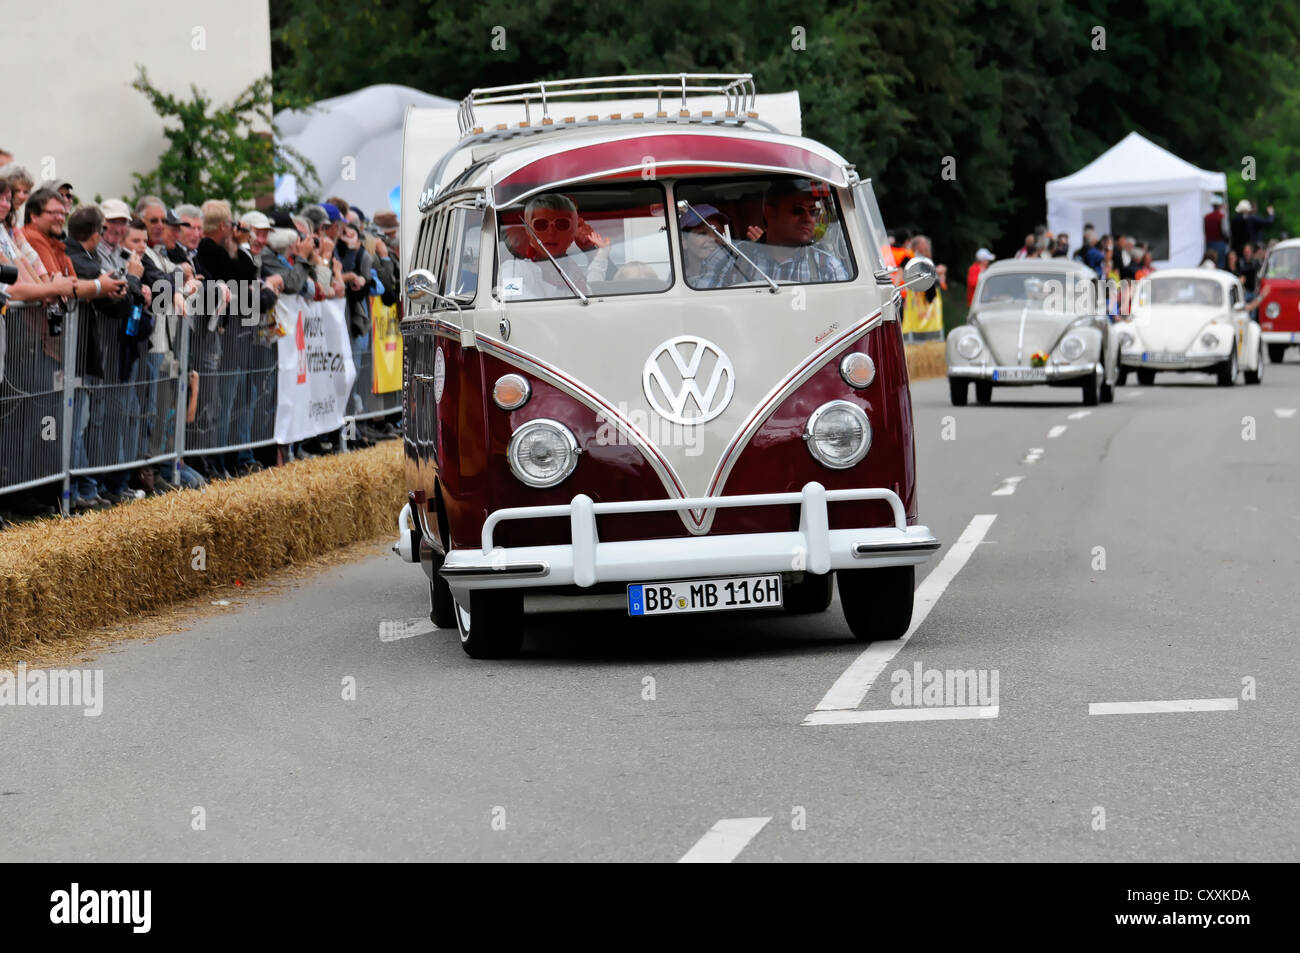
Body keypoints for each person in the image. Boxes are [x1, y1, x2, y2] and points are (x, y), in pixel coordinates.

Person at [695, 179, 850, 288]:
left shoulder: (828, 267)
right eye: (797, 210)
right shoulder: (726, 258)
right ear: (769, 212)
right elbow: (703, 312)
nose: (808, 219)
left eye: (813, 212)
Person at [497, 192, 611, 299]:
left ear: (572, 234)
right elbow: (513, 297)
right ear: (529, 232)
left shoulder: (572, 270)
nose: (551, 232)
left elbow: (591, 294)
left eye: (562, 224)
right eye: (541, 224)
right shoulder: (515, 269)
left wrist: (600, 255)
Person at [678, 204, 730, 283]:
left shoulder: (736, 274)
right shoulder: (675, 282)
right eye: (702, 233)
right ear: (683, 241)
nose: (713, 238)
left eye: (718, 233)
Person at [1203, 196, 1230, 270]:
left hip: (1209, 243)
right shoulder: (1221, 217)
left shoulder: (1206, 217)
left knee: (1209, 263)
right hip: (1219, 243)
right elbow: (1225, 231)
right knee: (1220, 265)